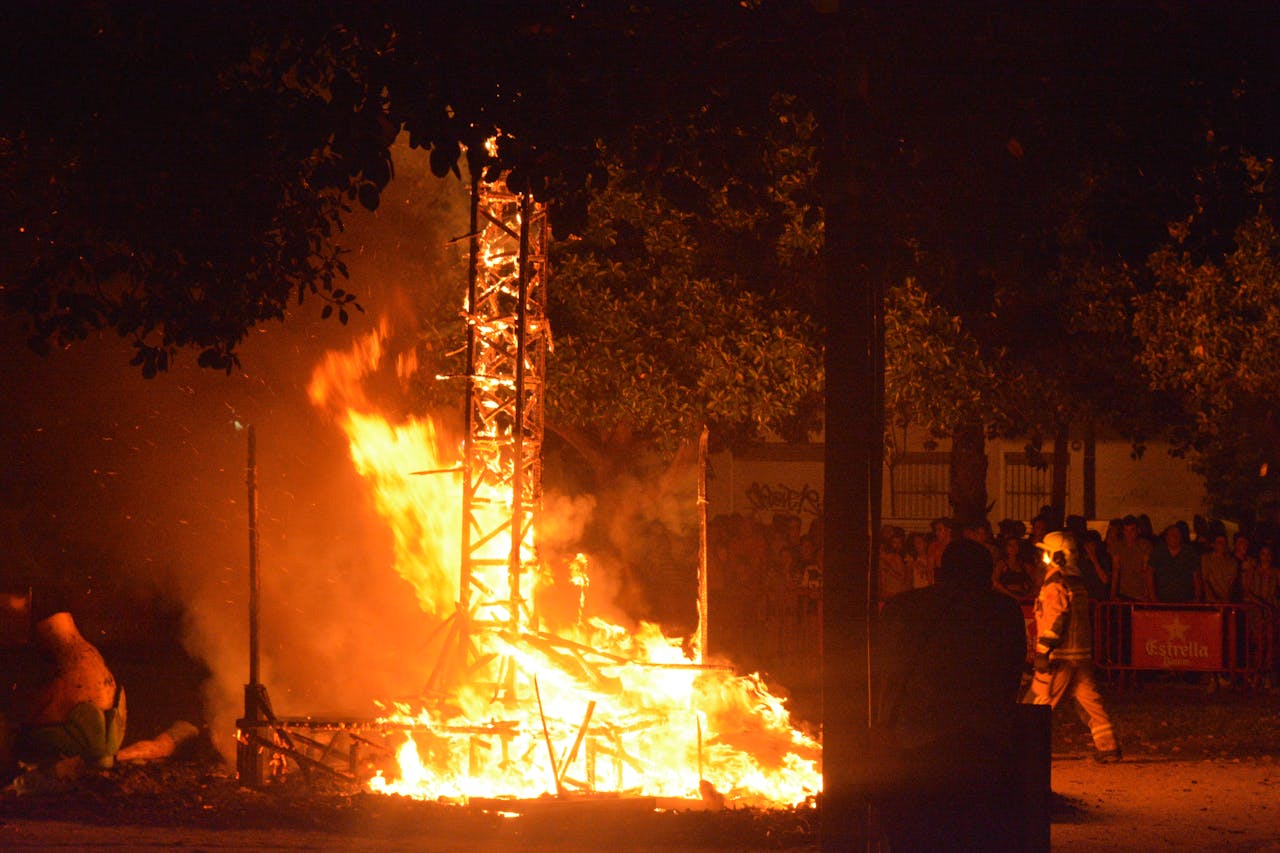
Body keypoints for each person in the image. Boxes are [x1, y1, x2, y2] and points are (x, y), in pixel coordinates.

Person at [873, 538, 1029, 851]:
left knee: (916, 836)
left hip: (915, 742)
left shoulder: (902, 608)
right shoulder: (1004, 611)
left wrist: (884, 726)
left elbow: (886, 673)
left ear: (941, 571)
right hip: (982, 743)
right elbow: (1012, 672)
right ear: (985, 575)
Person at [1024, 530, 1122, 762]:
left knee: (1037, 702)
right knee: (1089, 702)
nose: (1043, 557)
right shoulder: (1076, 581)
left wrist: (1043, 653)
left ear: (1056, 555)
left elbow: (1055, 620)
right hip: (1080, 656)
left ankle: (1023, 749)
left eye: (1046, 553)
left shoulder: (1055, 584)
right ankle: (1108, 748)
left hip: (1060, 657)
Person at [1150, 523, 1199, 603]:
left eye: (1177, 534)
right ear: (1166, 537)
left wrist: (1197, 596)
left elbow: (1196, 575)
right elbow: (1149, 573)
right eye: (1171, 534)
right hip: (1162, 600)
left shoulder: (1189, 553)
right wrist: (1153, 596)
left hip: (1186, 600)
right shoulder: (1158, 552)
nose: (1174, 537)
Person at [1109, 515, 1154, 601]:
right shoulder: (1117, 546)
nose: (1129, 534)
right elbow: (1116, 570)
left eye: (1132, 530)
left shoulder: (1145, 546)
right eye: (1126, 530)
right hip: (1122, 593)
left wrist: (1147, 593)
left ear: (1138, 531)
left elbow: (1146, 571)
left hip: (1140, 594)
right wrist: (1112, 595)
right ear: (1123, 531)